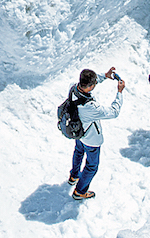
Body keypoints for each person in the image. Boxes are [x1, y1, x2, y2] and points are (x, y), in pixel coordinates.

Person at [66, 67, 124, 201]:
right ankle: (80, 191)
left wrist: (105, 75)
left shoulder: (72, 88)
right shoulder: (90, 107)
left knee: (78, 151)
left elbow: (91, 81)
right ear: (91, 87)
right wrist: (119, 92)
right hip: (91, 139)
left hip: (78, 132)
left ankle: (74, 175)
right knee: (91, 166)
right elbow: (113, 112)